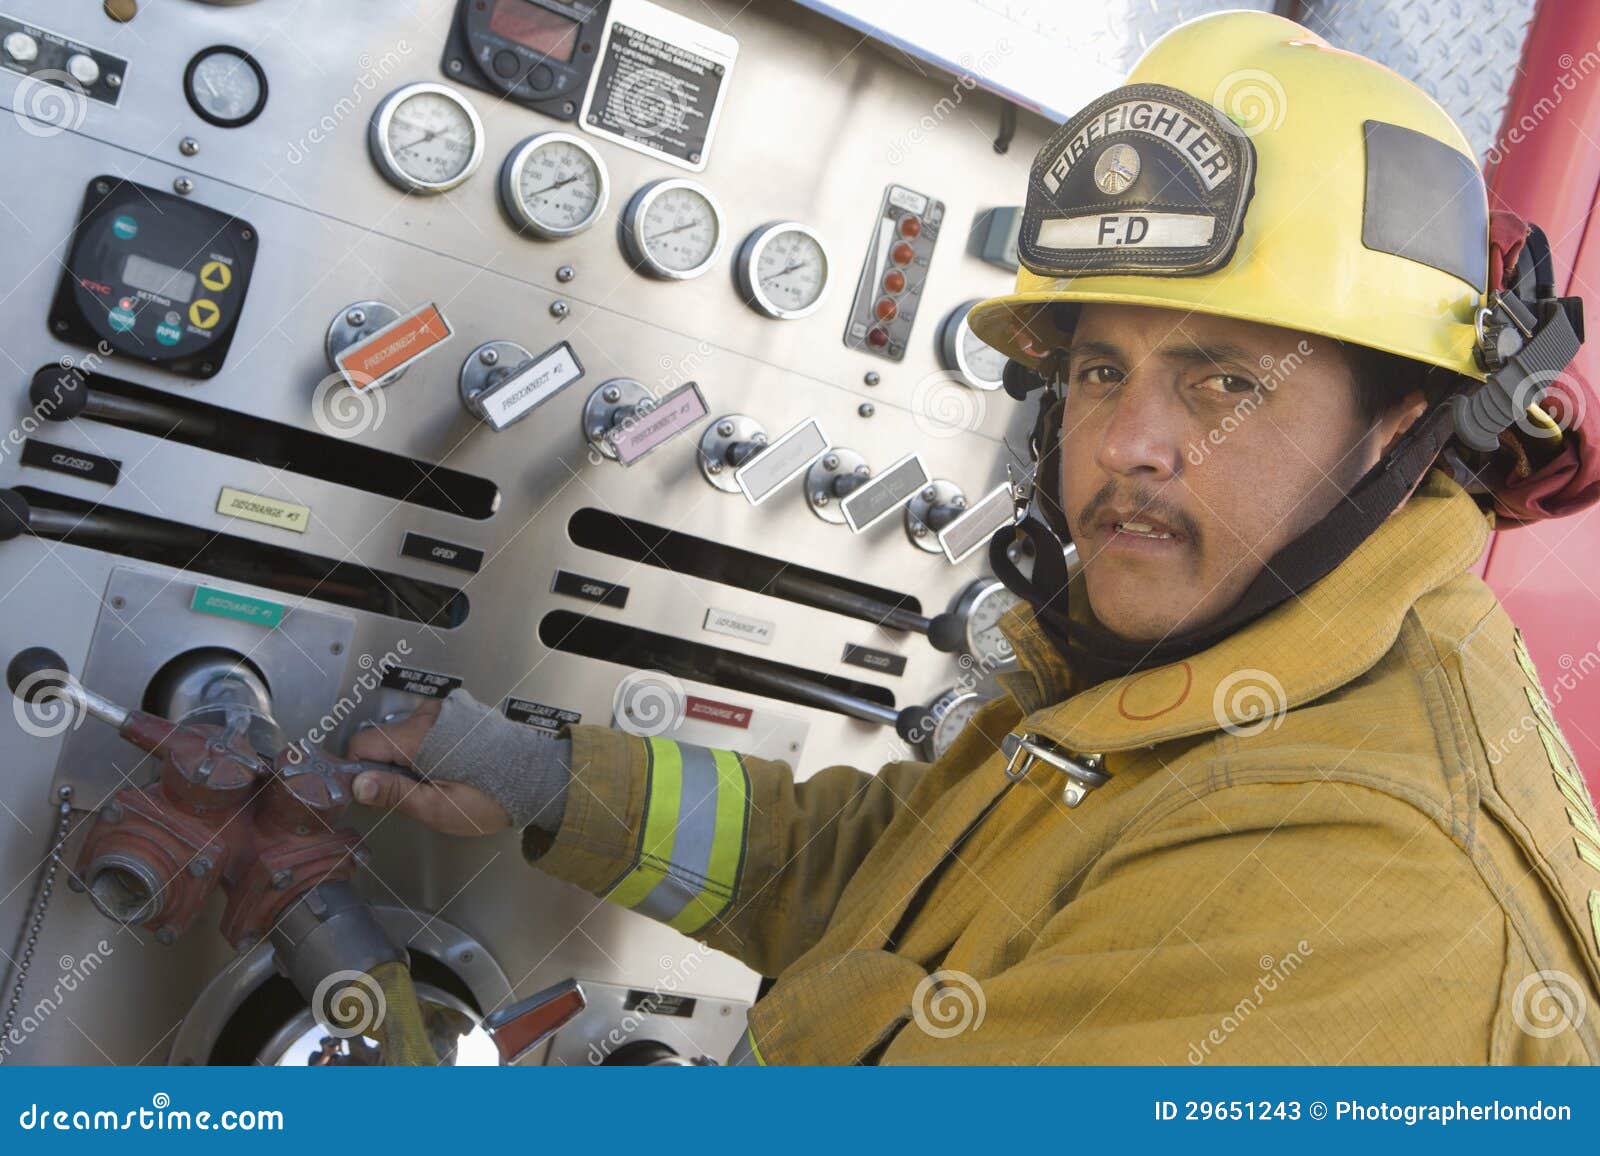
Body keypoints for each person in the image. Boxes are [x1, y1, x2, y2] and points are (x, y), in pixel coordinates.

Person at [350, 11, 1600, 1064]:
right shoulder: (1192, 674)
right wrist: (545, 778)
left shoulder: (1355, 884)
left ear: (1400, 420)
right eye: (1100, 370)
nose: (1126, 444)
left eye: (1224, 382)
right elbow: (893, 880)